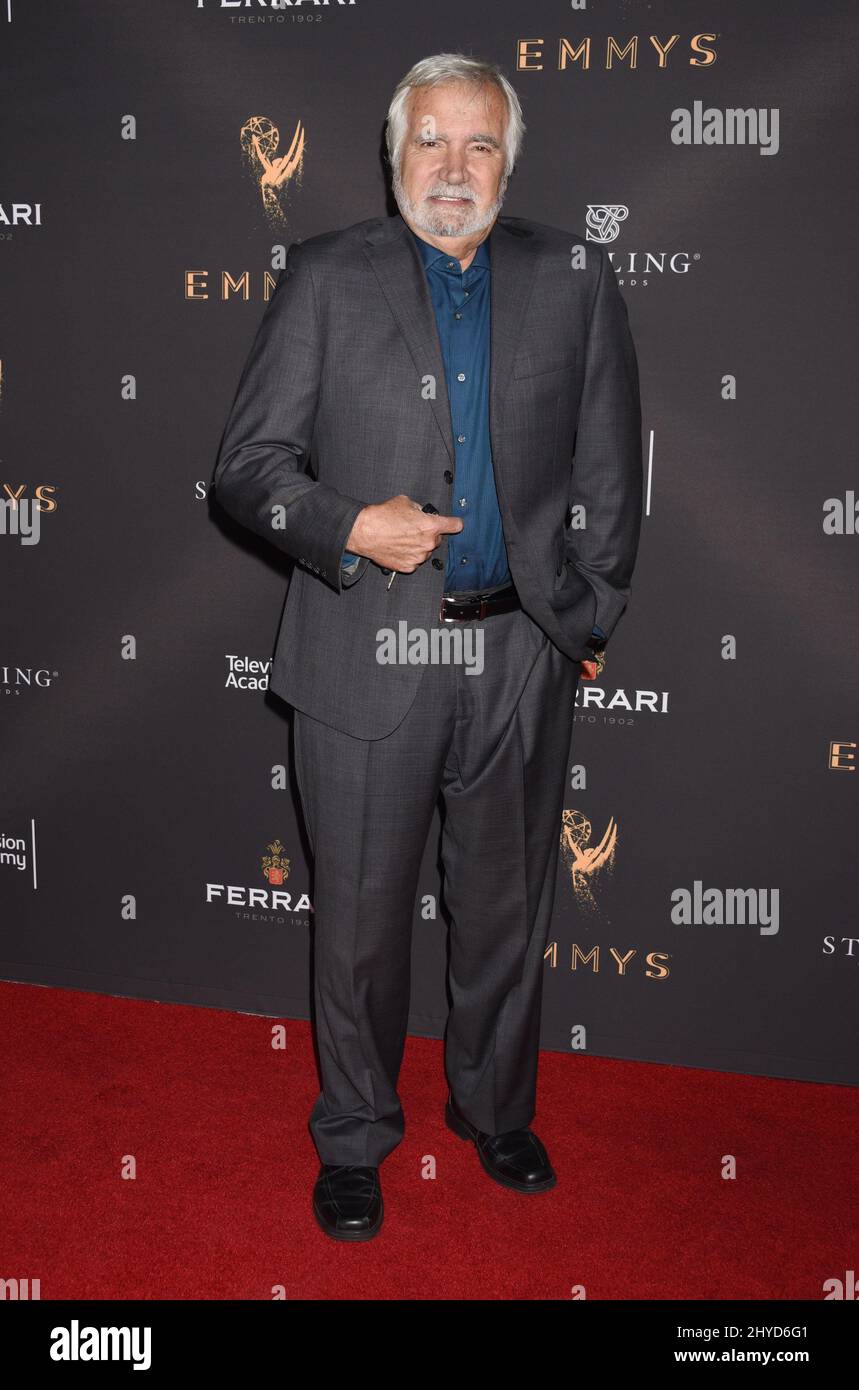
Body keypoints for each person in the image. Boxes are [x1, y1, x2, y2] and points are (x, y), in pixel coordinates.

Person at [212, 52, 643, 1242]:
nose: (453, 170)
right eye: (431, 144)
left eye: (480, 146)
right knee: (356, 924)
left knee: (505, 913)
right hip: (364, 652)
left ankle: (494, 1108)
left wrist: (587, 614)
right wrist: (349, 523)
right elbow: (246, 470)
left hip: (516, 657)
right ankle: (355, 1136)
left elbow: (611, 463)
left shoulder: (572, 276)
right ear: (394, 152)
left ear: (509, 159)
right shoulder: (324, 278)